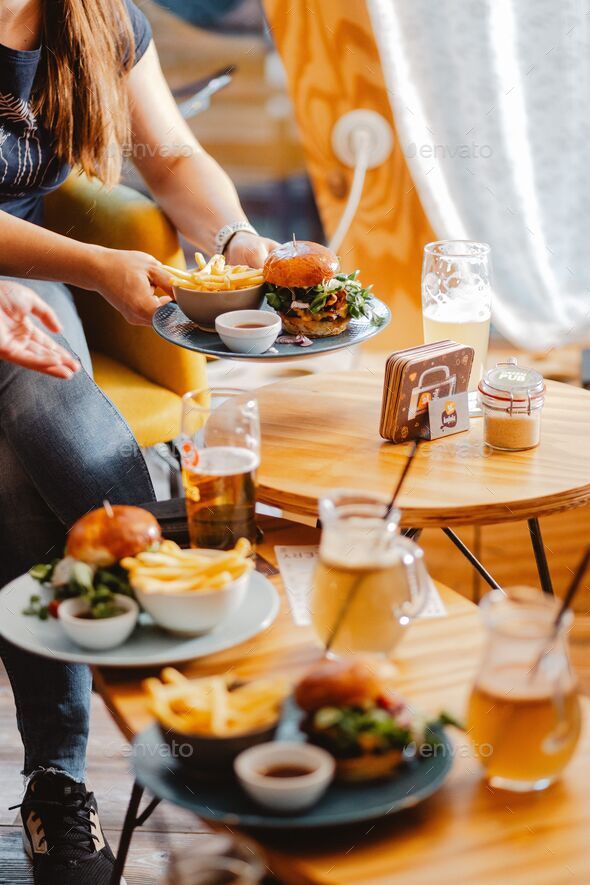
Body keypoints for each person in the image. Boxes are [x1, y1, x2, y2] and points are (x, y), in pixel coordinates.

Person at [0, 2, 276, 882]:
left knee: (24, 453)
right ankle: (215, 705)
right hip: (42, 272)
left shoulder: (96, 14)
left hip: (26, 276)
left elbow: (173, 155)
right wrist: (94, 267)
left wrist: (238, 240)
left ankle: (62, 776)